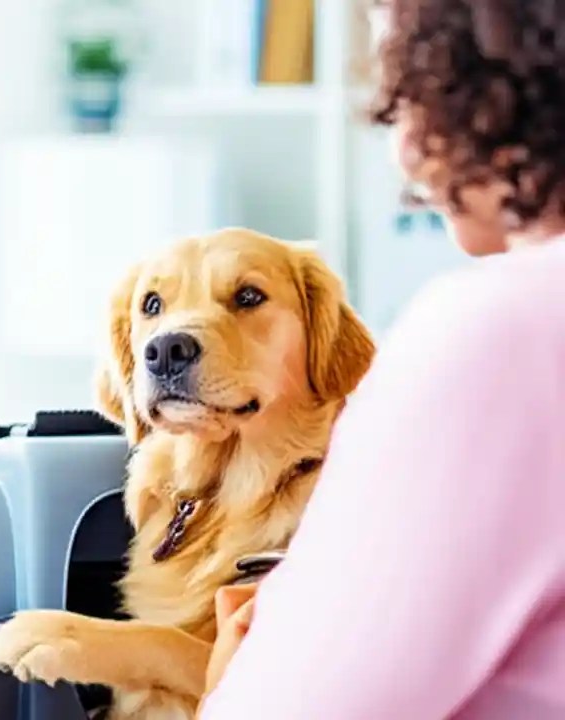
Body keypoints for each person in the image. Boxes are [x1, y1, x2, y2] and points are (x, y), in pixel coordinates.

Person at [196, 1, 565, 717]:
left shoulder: (500, 332)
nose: (398, 147)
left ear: (487, 82)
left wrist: (235, 684)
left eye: (400, 84)